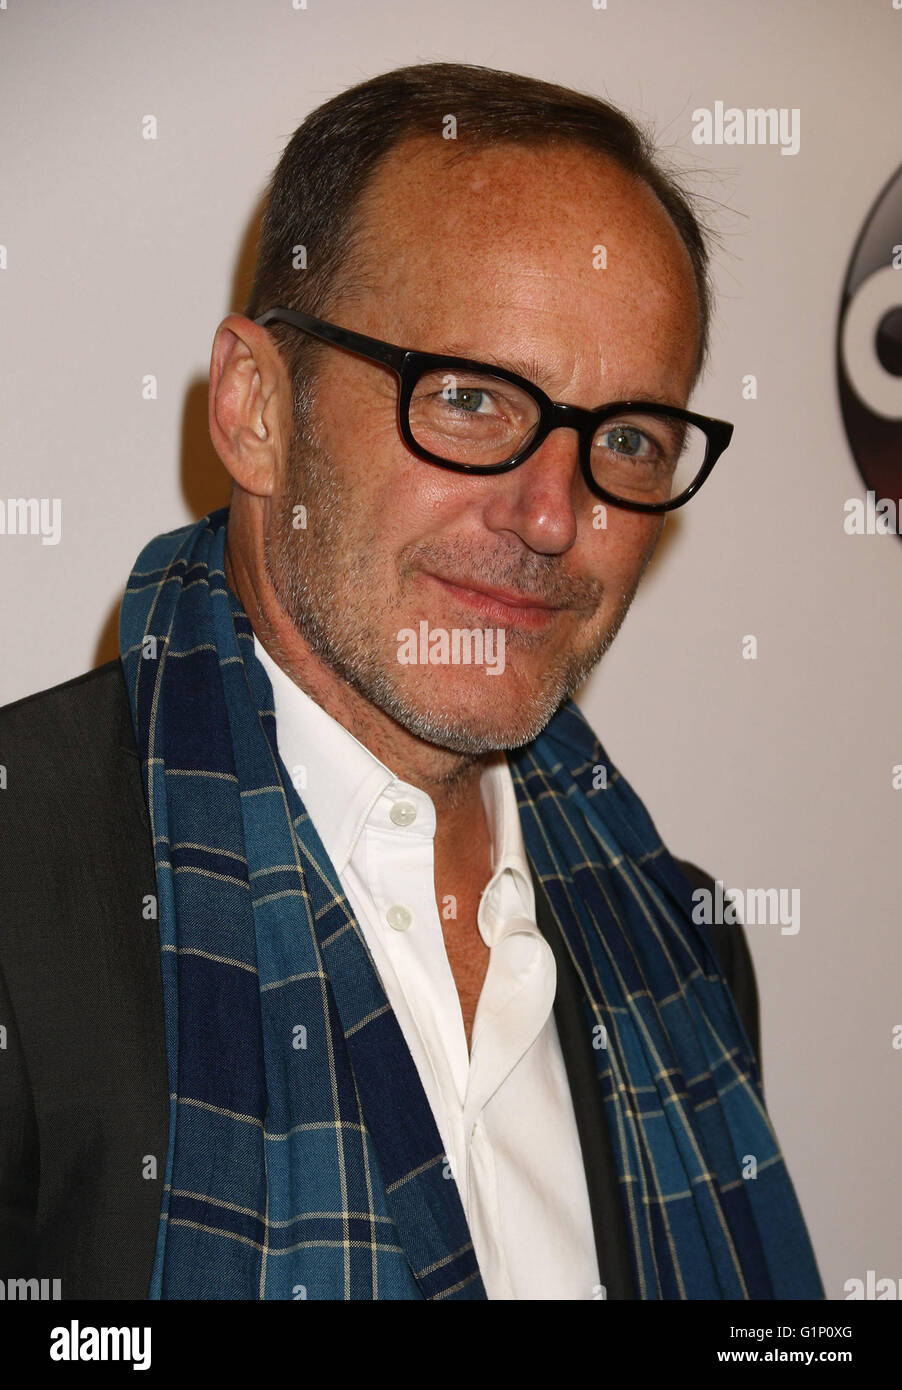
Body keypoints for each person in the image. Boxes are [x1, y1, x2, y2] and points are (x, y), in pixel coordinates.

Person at [0, 61, 823, 1301]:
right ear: (253, 408)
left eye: (627, 439)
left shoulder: (680, 945)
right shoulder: (25, 885)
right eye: (469, 398)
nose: (553, 514)